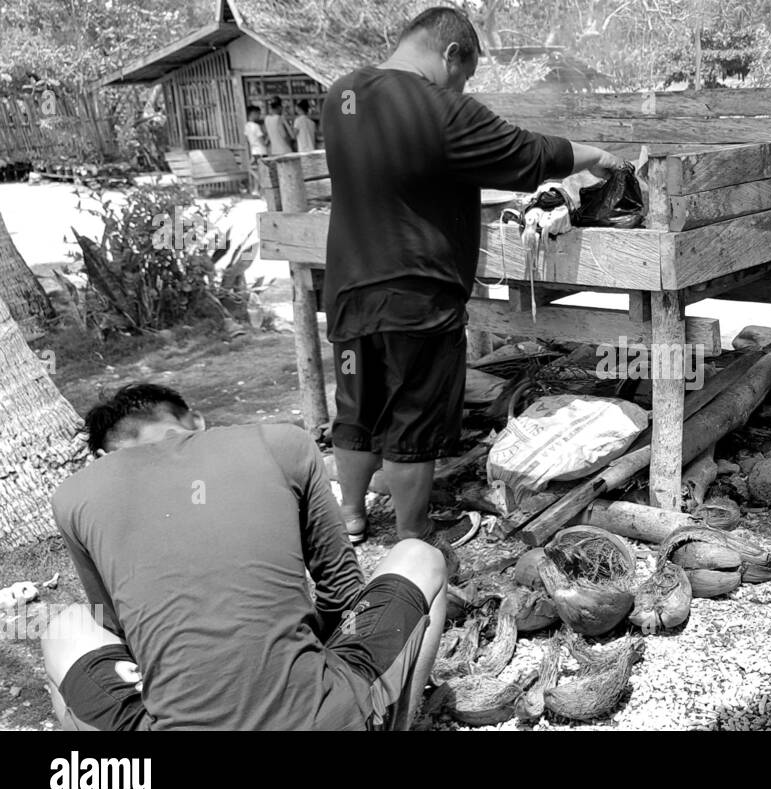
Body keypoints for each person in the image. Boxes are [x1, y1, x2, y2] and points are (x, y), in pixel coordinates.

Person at [321, 6, 626, 550]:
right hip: (416, 293)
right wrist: (593, 156)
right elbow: (522, 154)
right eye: (464, 76)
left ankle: (351, 515)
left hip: (348, 289)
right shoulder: (439, 108)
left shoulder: (340, 95)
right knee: (412, 417)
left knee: (357, 406)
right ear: (451, 53)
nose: (461, 87)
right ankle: (415, 535)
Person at [41, 384, 447, 730]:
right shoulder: (282, 443)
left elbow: (114, 629)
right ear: (196, 421)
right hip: (325, 717)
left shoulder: (74, 495)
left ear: (102, 458)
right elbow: (342, 594)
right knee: (419, 557)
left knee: (65, 625)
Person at [243, 105, 269, 194]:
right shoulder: (256, 126)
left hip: (254, 151)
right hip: (262, 151)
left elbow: (246, 139)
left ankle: (256, 189)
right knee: (261, 172)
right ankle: (263, 187)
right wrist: (268, 138)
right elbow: (263, 142)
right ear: (252, 113)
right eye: (258, 114)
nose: (259, 116)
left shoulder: (247, 125)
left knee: (255, 170)